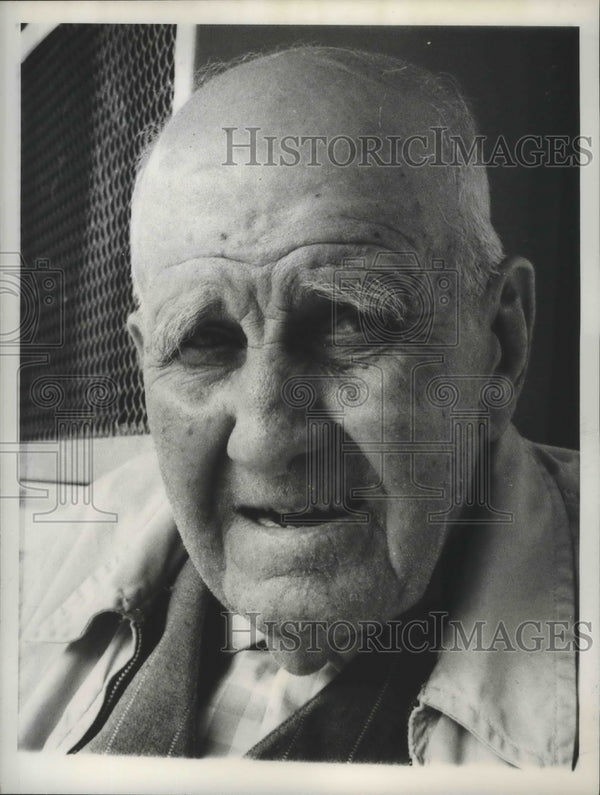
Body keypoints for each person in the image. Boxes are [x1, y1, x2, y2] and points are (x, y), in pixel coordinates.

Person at [19, 46, 579, 766]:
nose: (264, 439)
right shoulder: (34, 563)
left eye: (347, 322)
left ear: (499, 344)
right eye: (203, 340)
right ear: (143, 362)